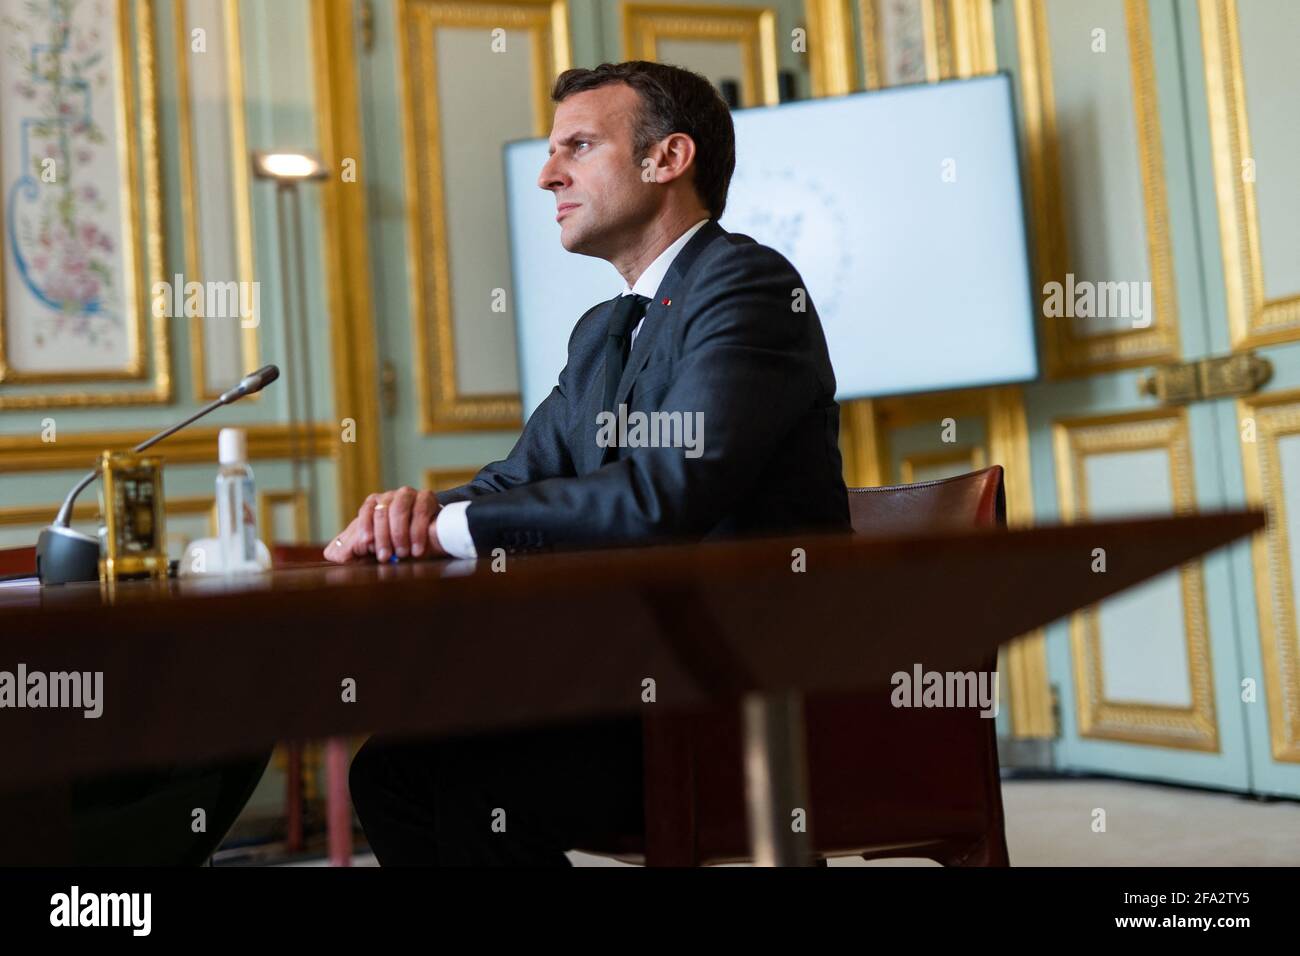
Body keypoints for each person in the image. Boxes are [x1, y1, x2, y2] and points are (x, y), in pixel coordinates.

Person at [329, 61, 849, 865]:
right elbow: (521, 478)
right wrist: (411, 518)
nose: (546, 176)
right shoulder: (604, 327)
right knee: (392, 772)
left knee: (477, 783)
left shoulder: (745, 285)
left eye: (577, 146)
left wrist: (454, 531)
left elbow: (660, 494)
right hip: (640, 676)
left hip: (750, 695)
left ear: (667, 158)